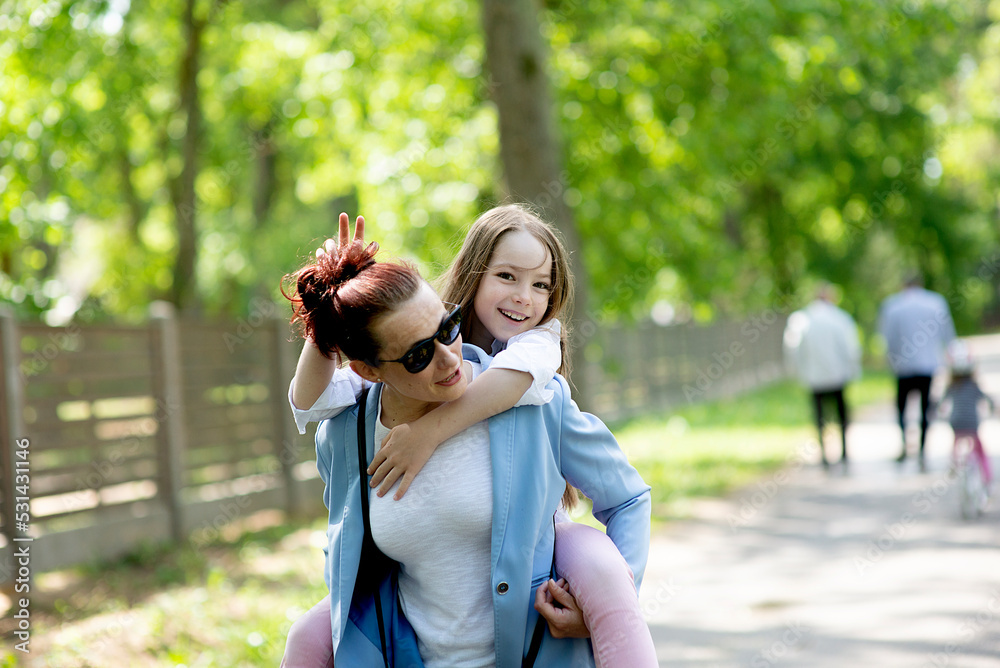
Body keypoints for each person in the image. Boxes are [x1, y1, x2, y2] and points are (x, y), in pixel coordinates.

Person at [280, 211, 653, 667]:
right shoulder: (349, 433)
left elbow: (628, 497)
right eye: (419, 355)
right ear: (369, 370)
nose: (448, 359)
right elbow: (310, 405)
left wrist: (604, 607)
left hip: (537, 652)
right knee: (304, 637)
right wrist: (326, 304)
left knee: (600, 567)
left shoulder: (532, 392)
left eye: (448, 328)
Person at [878, 274, 956, 465]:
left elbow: (887, 337)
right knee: (925, 407)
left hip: (903, 366)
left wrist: (891, 360)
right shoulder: (935, 302)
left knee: (902, 408)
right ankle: (922, 448)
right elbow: (948, 335)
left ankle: (905, 445)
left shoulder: (893, 305)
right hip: (927, 365)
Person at [783, 283, 861, 466]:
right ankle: (844, 452)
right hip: (838, 376)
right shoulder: (841, 318)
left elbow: (792, 349)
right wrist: (853, 370)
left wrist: (796, 372)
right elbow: (851, 348)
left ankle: (824, 454)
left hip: (814, 376)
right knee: (841, 415)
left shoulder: (801, 319)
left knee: (819, 416)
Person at [936, 340, 993, 489]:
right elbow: (986, 399)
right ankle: (987, 476)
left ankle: (954, 464)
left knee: (956, 441)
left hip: (956, 422)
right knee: (979, 449)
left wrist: (938, 412)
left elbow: (941, 403)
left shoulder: (952, 387)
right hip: (972, 423)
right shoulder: (973, 386)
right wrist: (993, 408)